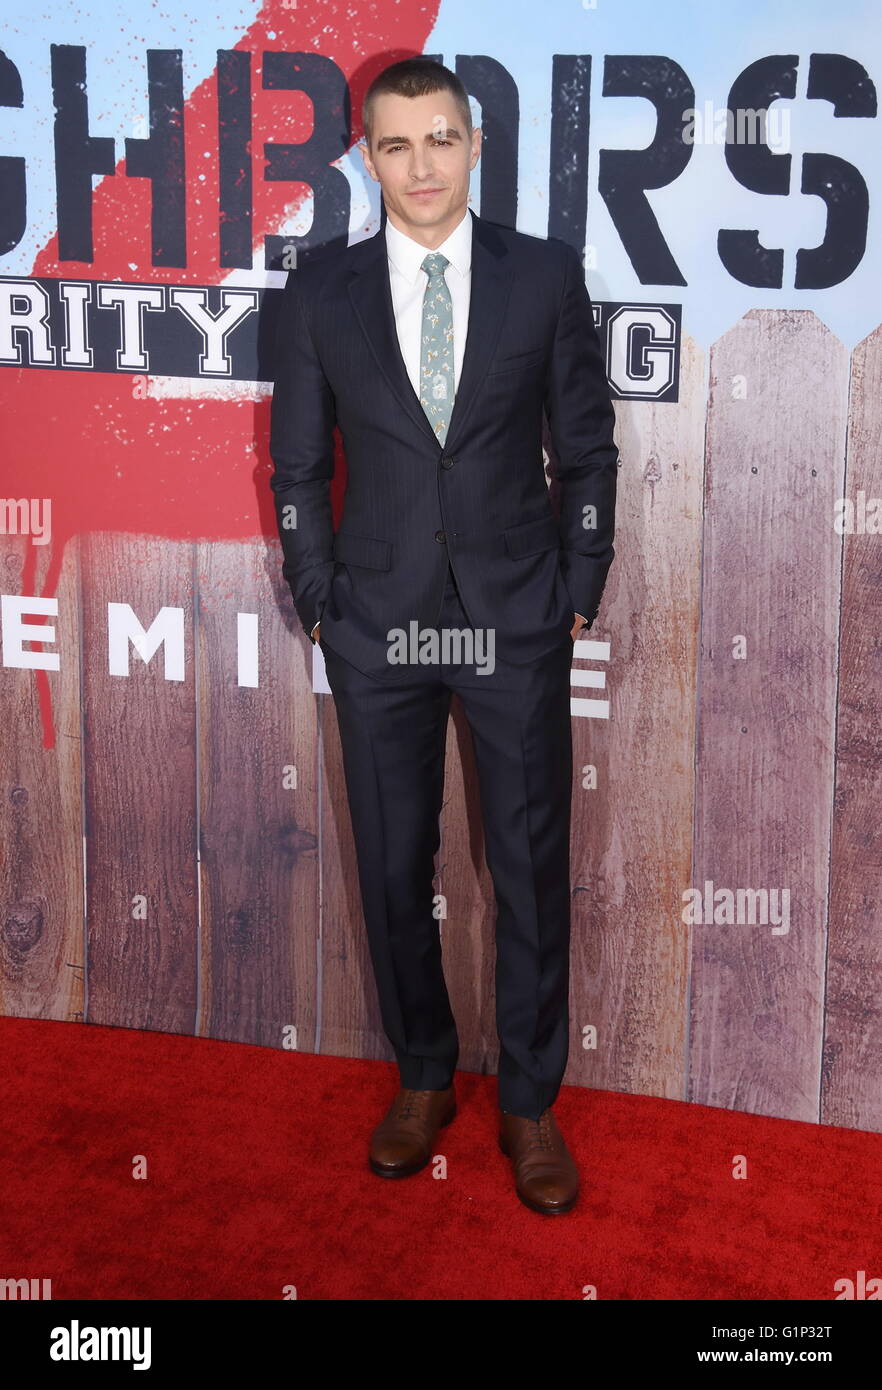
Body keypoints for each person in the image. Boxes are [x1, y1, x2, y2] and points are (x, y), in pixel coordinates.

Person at [270, 57, 618, 1215]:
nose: (422, 166)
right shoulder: (320, 294)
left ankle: (528, 1102)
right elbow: (301, 465)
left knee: (526, 868)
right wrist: (319, 594)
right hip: (377, 624)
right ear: (369, 158)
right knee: (391, 864)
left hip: (515, 618)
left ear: (475, 146)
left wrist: (582, 578)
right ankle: (424, 1075)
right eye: (397, 146)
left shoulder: (545, 279)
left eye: (442, 140)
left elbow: (587, 446)